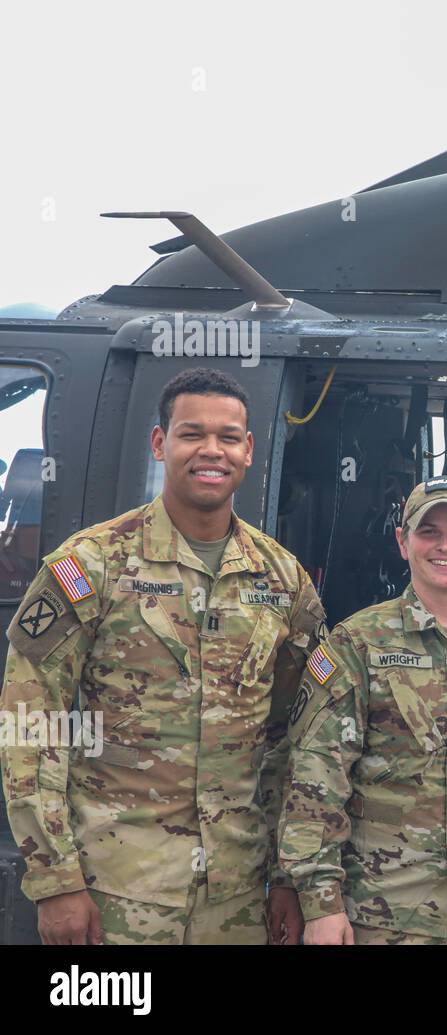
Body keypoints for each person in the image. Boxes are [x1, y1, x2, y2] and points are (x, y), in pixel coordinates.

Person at [1, 367, 325, 944]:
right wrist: (54, 880)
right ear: (160, 442)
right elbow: (30, 723)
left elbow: (294, 737)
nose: (212, 451)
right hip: (116, 890)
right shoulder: (92, 564)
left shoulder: (283, 580)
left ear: (249, 451)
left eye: (228, 437)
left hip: (237, 897)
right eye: (191, 433)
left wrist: (288, 875)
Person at [279, 476, 447, 944]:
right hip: (384, 914)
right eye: (428, 531)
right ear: (403, 542)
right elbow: (315, 776)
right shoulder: (358, 643)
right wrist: (321, 905)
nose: (445, 545)